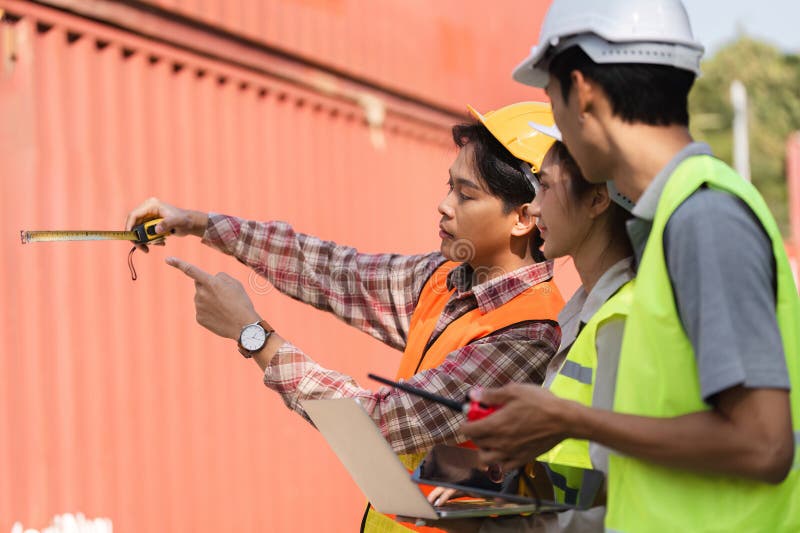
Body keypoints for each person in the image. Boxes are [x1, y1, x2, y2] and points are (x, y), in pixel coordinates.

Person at [125, 102, 566, 533]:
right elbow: (335, 272)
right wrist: (199, 224)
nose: (444, 205)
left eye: (466, 195)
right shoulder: (448, 279)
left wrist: (253, 334)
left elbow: (377, 426)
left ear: (525, 217)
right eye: (448, 186)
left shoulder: (528, 334)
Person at [461, 1, 800, 532]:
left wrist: (568, 418)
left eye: (552, 100)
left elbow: (764, 444)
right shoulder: (673, 219)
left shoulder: (703, 217)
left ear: (585, 93)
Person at [427, 135, 634, 533]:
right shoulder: (581, 313)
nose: (535, 207)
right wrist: (497, 487)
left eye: (549, 187)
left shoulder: (621, 320)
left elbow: (627, 498)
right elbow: (578, 472)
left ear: (597, 200)